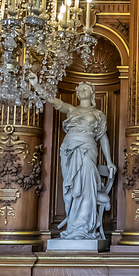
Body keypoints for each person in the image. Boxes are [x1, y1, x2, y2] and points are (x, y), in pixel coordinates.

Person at [48, 81, 116, 240]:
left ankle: (83, 228)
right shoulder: (71, 109)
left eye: (86, 88)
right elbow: (53, 100)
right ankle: (72, 226)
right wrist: (36, 85)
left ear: (92, 94)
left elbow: (103, 138)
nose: (82, 90)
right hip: (69, 150)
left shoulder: (99, 114)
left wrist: (110, 161)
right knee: (71, 188)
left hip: (87, 150)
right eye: (79, 89)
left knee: (86, 187)